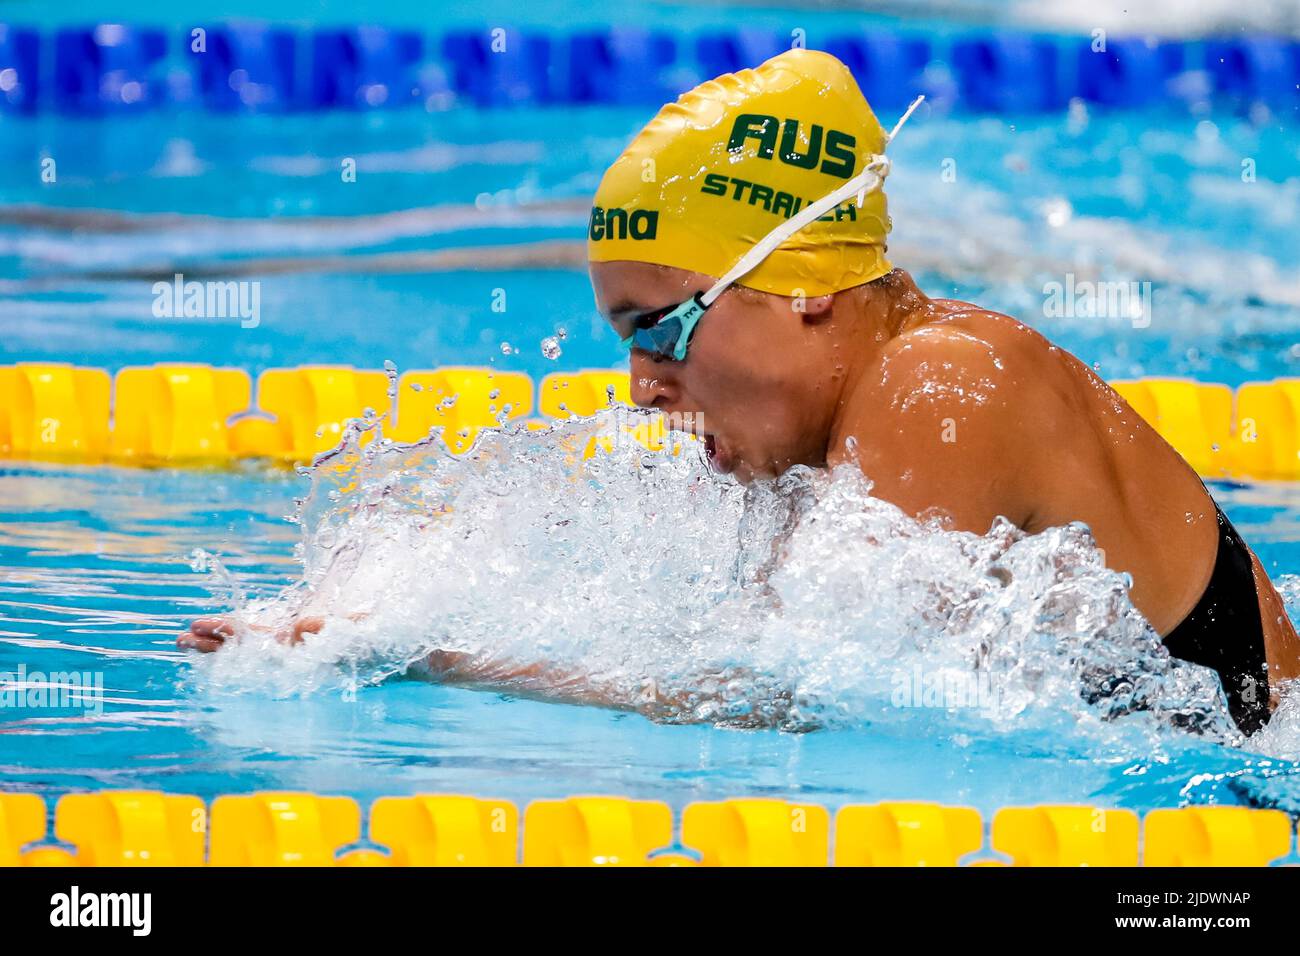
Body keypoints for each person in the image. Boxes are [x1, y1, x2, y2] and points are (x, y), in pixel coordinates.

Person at [184, 48, 1299, 735]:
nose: (640, 388)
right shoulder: (831, 427)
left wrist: (439, 657)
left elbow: (802, 698)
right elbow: (764, 655)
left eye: (658, 329)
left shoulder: (937, 380)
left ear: (798, 285)